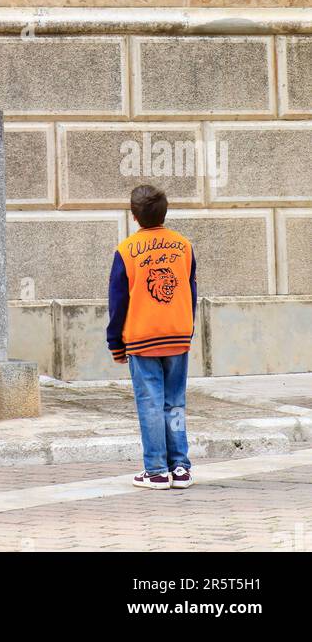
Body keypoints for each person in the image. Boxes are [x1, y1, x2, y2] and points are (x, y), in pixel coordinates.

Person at [106, 184, 197, 489]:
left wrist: (115, 342)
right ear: (165, 212)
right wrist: (187, 327)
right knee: (175, 403)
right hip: (177, 335)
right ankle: (181, 467)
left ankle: (156, 469)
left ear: (133, 216)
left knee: (150, 403)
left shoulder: (126, 251)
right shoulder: (183, 246)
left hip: (143, 338)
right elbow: (191, 291)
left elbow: (118, 303)